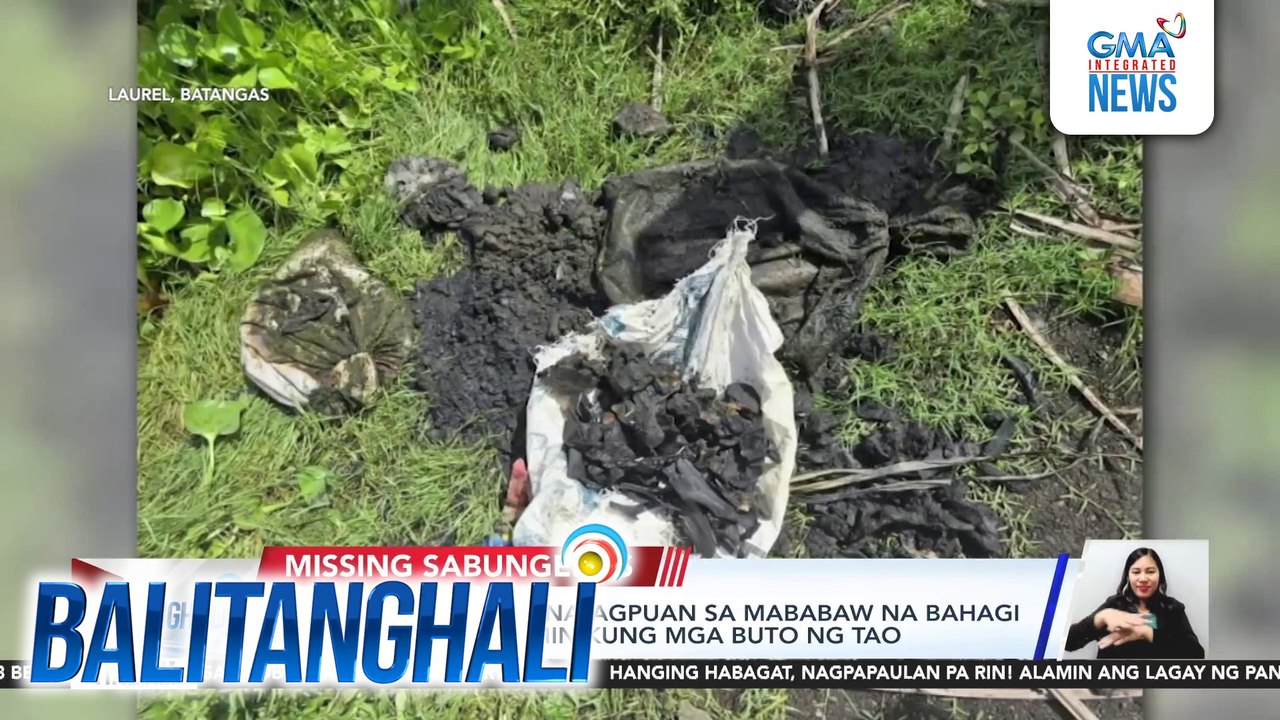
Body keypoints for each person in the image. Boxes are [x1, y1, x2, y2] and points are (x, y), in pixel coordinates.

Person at [1064, 547, 1205, 659]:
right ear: (1128, 576)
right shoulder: (1114, 605)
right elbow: (1068, 642)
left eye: (1150, 571)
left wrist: (1147, 633)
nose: (1143, 578)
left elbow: (1196, 655)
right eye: (1136, 572)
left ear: (1160, 575)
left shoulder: (1172, 609)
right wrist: (1099, 618)